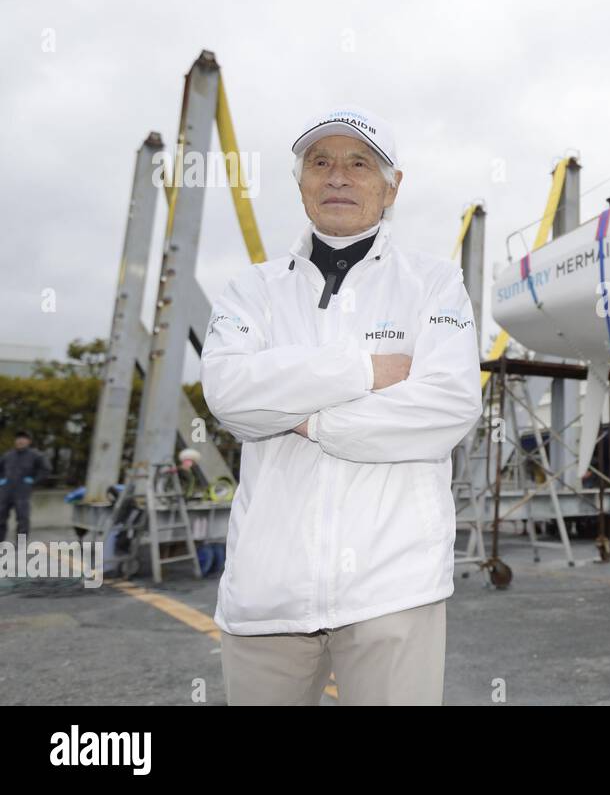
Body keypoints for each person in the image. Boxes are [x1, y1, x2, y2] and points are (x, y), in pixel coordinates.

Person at [200, 106, 483, 706]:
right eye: (320, 163)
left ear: (392, 186)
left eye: (359, 163)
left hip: (393, 590)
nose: (337, 177)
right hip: (265, 596)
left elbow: (446, 409)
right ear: (300, 183)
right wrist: (365, 370)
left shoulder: (434, 284)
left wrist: (305, 418)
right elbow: (228, 392)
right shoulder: (252, 290)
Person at [0, 430, 52, 544]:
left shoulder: (36, 455)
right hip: (5, 492)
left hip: (22, 493)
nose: (20, 441)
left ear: (29, 441)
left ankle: (21, 545)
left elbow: (46, 469)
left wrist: (33, 481)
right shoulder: (8, 455)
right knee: (0, 518)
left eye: (23, 438)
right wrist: (2, 480)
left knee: (23, 520)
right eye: (18, 438)